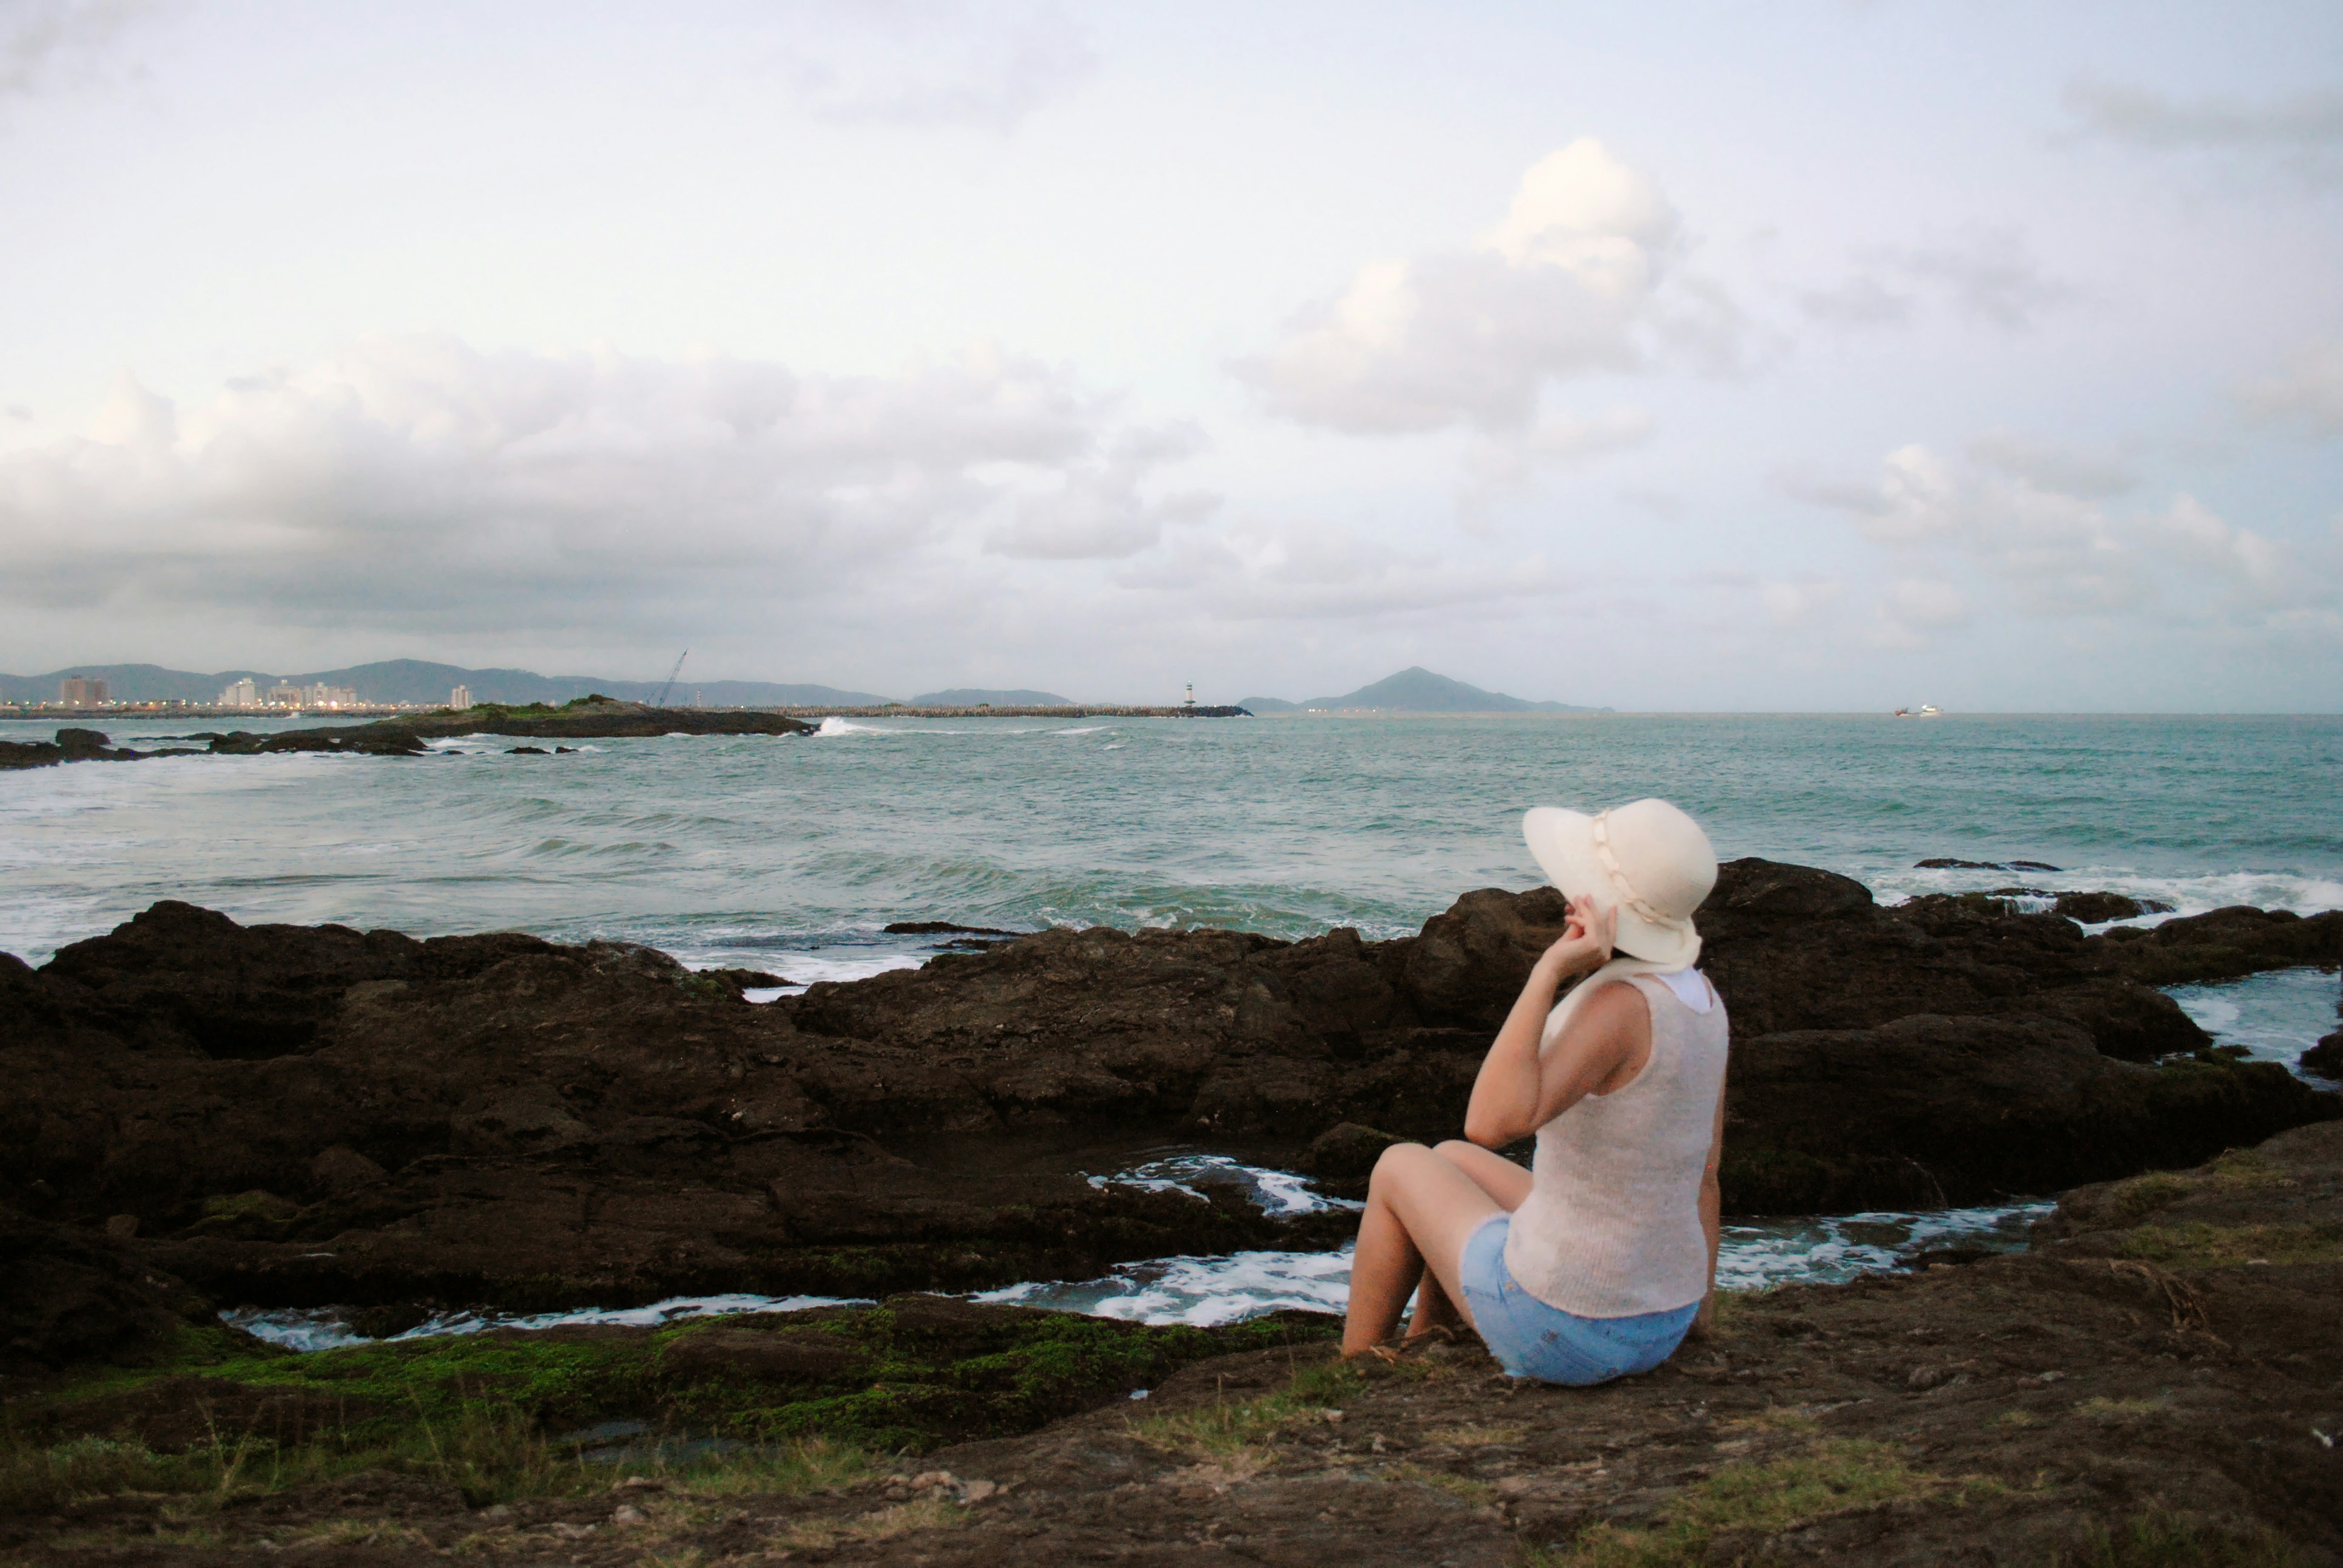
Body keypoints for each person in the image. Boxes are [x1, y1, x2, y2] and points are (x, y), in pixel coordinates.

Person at [1340, 797, 1728, 1385]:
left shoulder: (1616, 1008)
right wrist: (1695, 1316)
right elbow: (1705, 1172)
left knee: (1399, 1165)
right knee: (1449, 1163)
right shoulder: (1702, 1000)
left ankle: (1354, 1370)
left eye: (1584, 886)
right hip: (1659, 1323)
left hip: (1566, 1332)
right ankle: (1425, 1339)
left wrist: (1548, 971)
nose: (1568, 896)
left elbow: (1491, 1122)